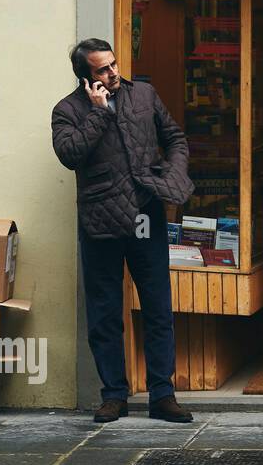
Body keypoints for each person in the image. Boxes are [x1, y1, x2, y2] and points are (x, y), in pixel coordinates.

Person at [51, 39, 196, 424]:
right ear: (86, 78)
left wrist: (173, 174)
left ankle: (162, 395)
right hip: (100, 221)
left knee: (158, 307)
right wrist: (98, 114)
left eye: (113, 65)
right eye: (102, 69)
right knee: (104, 313)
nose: (113, 73)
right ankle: (113, 395)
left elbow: (175, 138)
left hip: (147, 213)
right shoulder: (66, 111)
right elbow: (69, 156)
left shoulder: (144, 94)